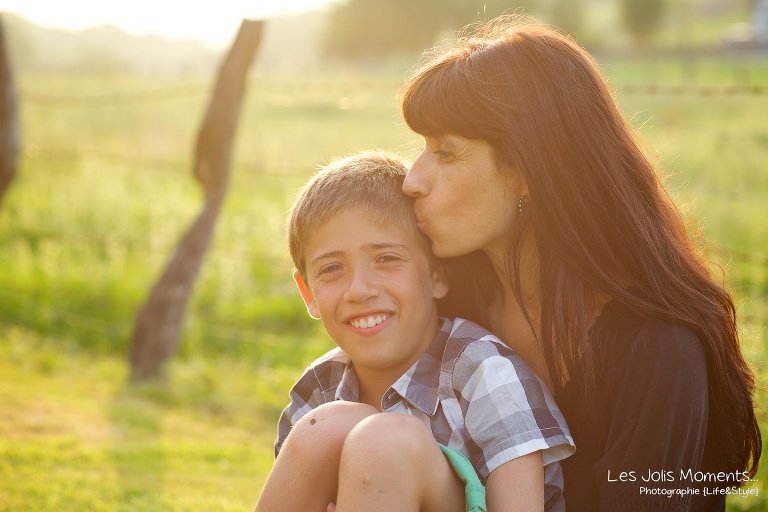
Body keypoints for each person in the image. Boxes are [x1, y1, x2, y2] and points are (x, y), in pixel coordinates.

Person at [399, 15, 762, 511]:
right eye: (422, 149)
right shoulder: (450, 301)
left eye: (447, 153)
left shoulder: (656, 348)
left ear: (528, 171)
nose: (412, 180)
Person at [254, 151, 575, 512]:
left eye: (386, 259)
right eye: (331, 268)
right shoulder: (319, 388)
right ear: (308, 293)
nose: (359, 289)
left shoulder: (483, 370)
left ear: (438, 274)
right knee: (323, 428)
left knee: (384, 441)